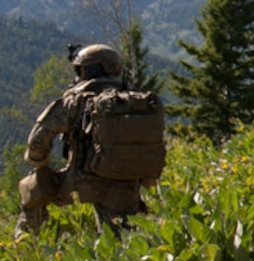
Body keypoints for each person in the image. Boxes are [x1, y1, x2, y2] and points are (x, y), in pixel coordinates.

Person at [17, 44, 159, 235]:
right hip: (127, 184)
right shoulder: (135, 102)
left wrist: (39, 162)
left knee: (31, 188)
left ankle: (25, 246)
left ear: (86, 70)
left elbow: (38, 140)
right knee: (120, 237)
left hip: (84, 181)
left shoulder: (76, 100)